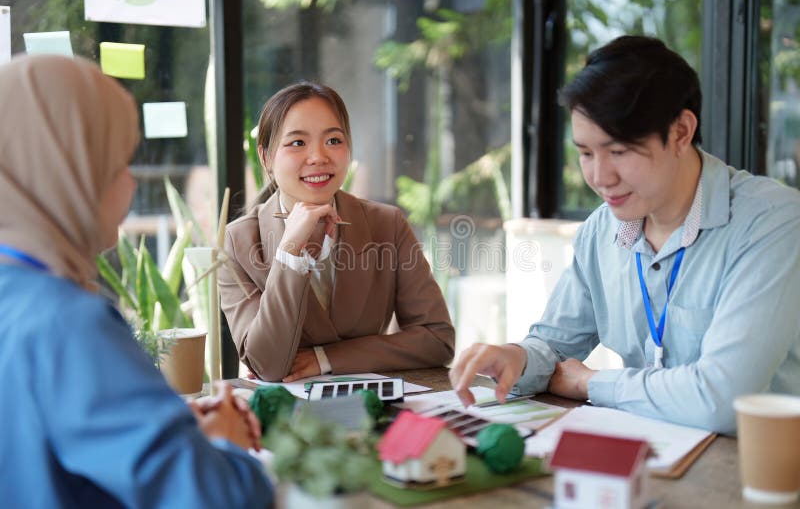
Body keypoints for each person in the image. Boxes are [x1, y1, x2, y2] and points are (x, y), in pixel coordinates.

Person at [449, 35, 800, 434]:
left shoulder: (771, 222)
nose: (600, 177)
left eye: (618, 152)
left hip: (759, 471)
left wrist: (591, 383)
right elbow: (556, 347)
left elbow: (721, 399)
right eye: (585, 153)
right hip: (652, 457)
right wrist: (515, 358)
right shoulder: (603, 228)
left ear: (681, 132)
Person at [0, 55, 272, 507]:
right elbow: (213, 497)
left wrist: (165, 425)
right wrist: (226, 445)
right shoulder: (69, 323)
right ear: (68, 170)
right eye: (116, 162)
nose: (129, 182)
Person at [218, 81, 454, 382]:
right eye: (297, 143)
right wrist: (290, 251)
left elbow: (437, 340)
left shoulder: (387, 224)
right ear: (266, 158)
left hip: (374, 406)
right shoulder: (238, 242)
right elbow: (268, 365)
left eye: (333, 140)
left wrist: (326, 359)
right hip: (286, 419)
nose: (318, 156)